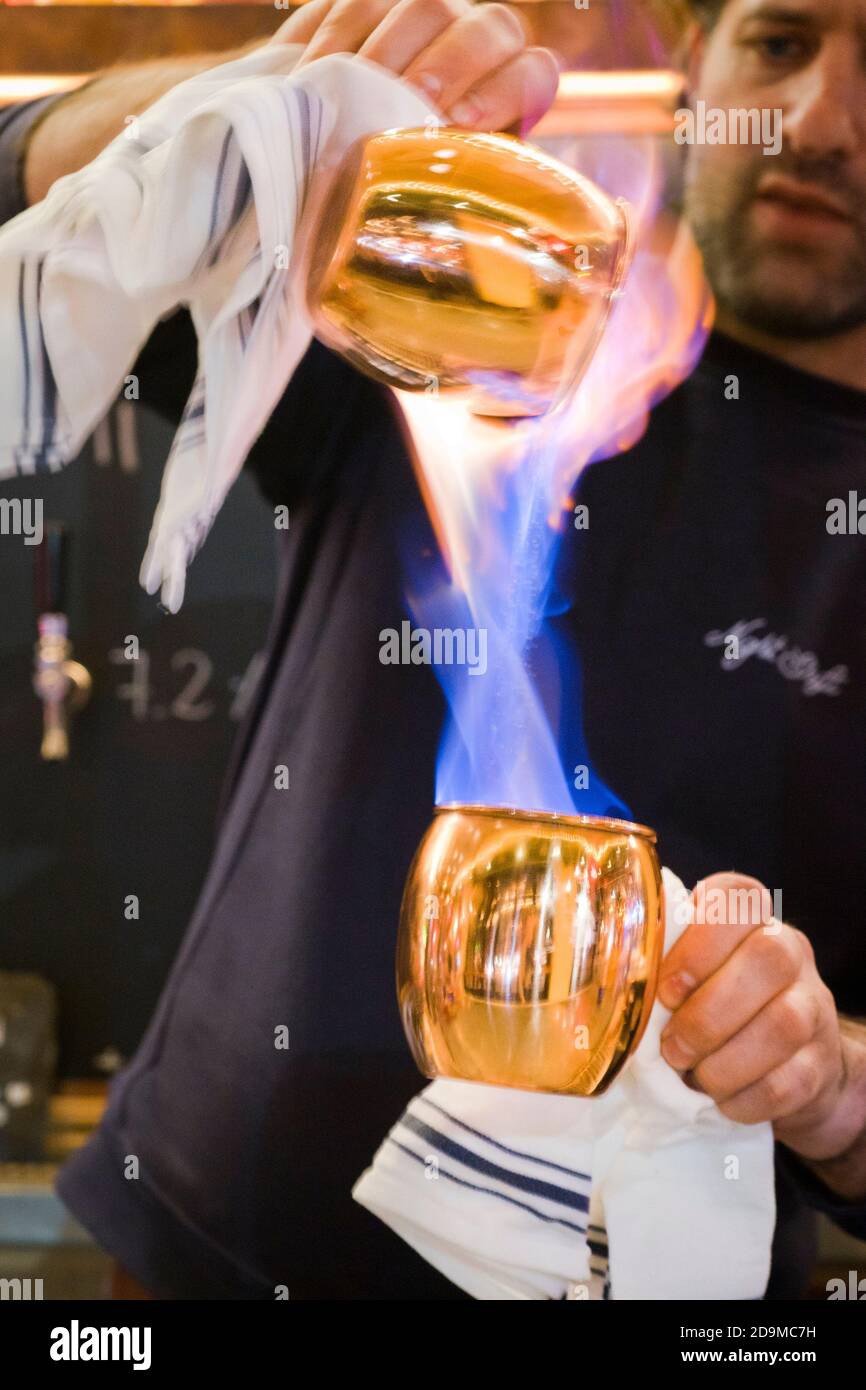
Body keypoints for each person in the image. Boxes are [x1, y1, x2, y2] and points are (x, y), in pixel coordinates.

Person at [2, 0, 865, 1299]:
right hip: (204, 1260)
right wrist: (261, 101)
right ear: (694, 59)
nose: (816, 125)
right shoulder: (461, 306)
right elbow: (31, 205)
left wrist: (828, 1083)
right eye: (782, 42)